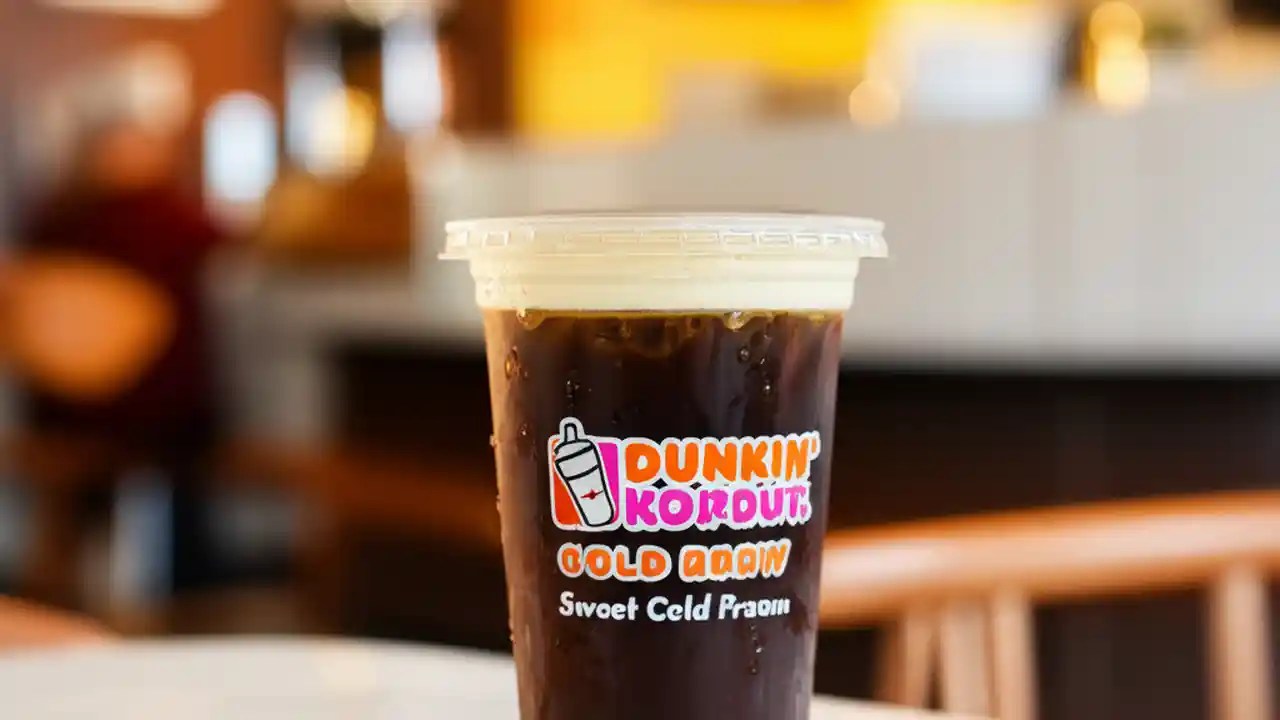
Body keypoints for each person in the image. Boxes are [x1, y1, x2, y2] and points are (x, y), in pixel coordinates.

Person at [17, 117, 226, 593]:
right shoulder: (170, 215)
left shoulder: (59, 216)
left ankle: (68, 592)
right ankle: (188, 588)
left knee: (76, 504)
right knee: (183, 474)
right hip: (158, 415)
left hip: (71, 410)